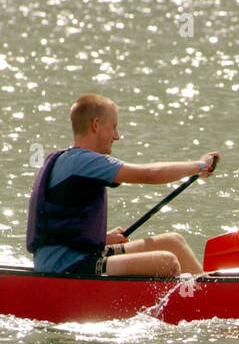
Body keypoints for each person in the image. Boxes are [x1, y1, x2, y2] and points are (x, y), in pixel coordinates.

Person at [26, 93, 219, 277]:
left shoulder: (66, 160)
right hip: (68, 268)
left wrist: (102, 237)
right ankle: (193, 304)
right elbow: (149, 174)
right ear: (96, 125)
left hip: (74, 257)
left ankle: (210, 296)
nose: (117, 136)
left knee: (173, 242)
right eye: (114, 127)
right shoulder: (85, 161)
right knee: (166, 262)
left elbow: (61, 225)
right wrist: (200, 166)